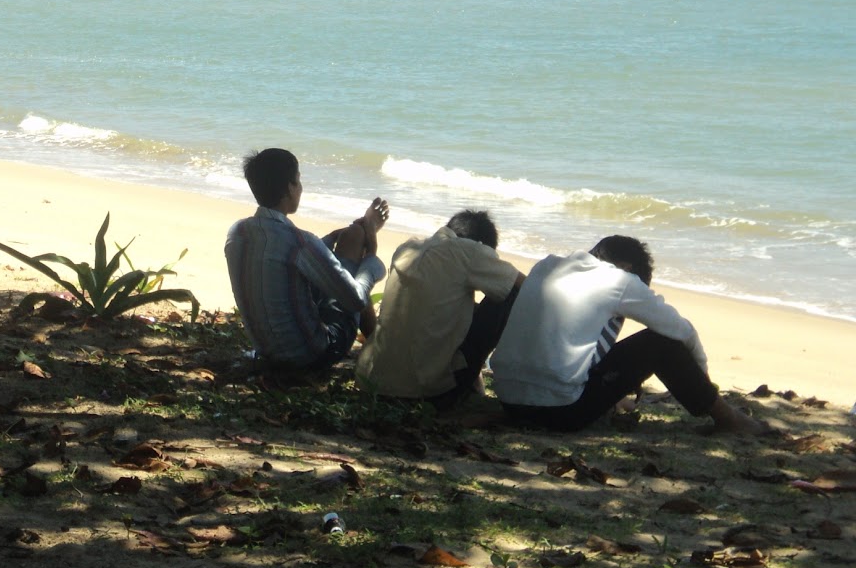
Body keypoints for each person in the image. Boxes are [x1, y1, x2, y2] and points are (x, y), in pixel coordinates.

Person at [488, 235, 765, 433]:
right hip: (560, 413)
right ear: (629, 270)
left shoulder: (546, 266)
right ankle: (727, 417)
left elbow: (559, 343)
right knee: (660, 342)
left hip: (509, 402)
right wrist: (703, 381)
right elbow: (682, 332)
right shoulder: (619, 280)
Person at [224, 148, 389, 374]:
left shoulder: (237, 232)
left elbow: (280, 257)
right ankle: (382, 349)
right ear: (290, 188)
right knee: (356, 243)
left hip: (267, 351)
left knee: (352, 237)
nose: (301, 188)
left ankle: (360, 233)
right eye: (299, 180)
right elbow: (356, 301)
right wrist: (371, 257)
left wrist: (330, 238)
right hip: (312, 356)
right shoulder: (299, 242)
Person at [355, 209, 524, 409]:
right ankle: (471, 378)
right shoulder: (470, 251)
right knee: (510, 292)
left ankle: (471, 375)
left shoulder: (406, 248)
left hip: (371, 381)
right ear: (480, 245)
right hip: (428, 391)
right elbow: (527, 286)